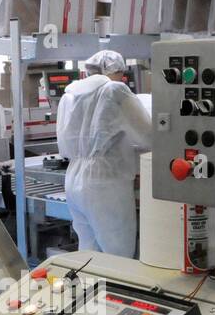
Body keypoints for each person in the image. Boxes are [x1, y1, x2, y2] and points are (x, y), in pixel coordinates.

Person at [56, 49, 152, 257]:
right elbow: (148, 136)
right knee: (118, 251)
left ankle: (91, 289)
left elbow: (64, 144)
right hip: (105, 181)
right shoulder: (115, 91)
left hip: (73, 178)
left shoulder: (70, 94)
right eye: (121, 72)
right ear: (114, 71)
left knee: (88, 249)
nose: (124, 77)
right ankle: (114, 290)